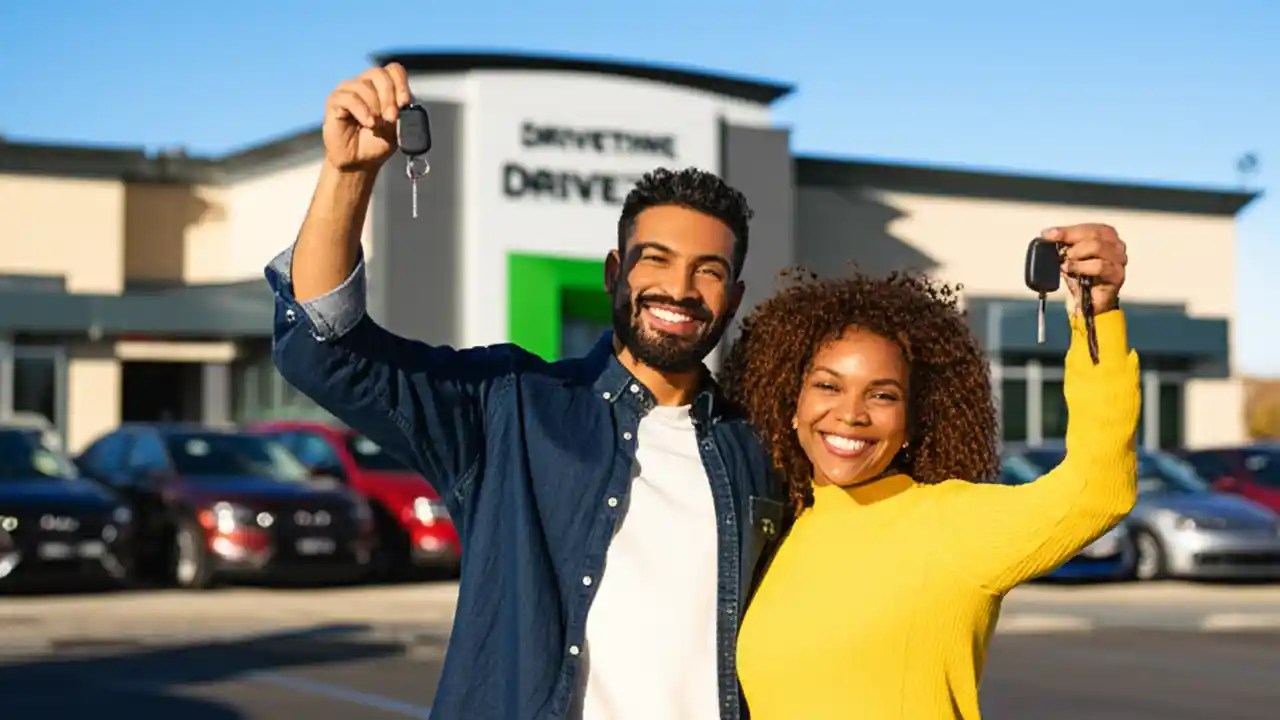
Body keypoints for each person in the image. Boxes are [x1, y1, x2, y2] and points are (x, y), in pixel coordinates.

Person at [263, 62, 787, 720]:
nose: (679, 290)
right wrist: (348, 176)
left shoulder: (760, 451)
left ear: (733, 297)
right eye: (655, 260)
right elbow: (325, 350)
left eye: (707, 271)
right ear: (614, 272)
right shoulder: (511, 407)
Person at [722, 224, 1139, 719]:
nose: (851, 414)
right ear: (791, 403)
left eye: (882, 395)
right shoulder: (775, 533)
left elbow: (1097, 490)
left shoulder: (950, 526)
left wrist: (1095, 316)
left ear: (913, 420)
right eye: (828, 387)